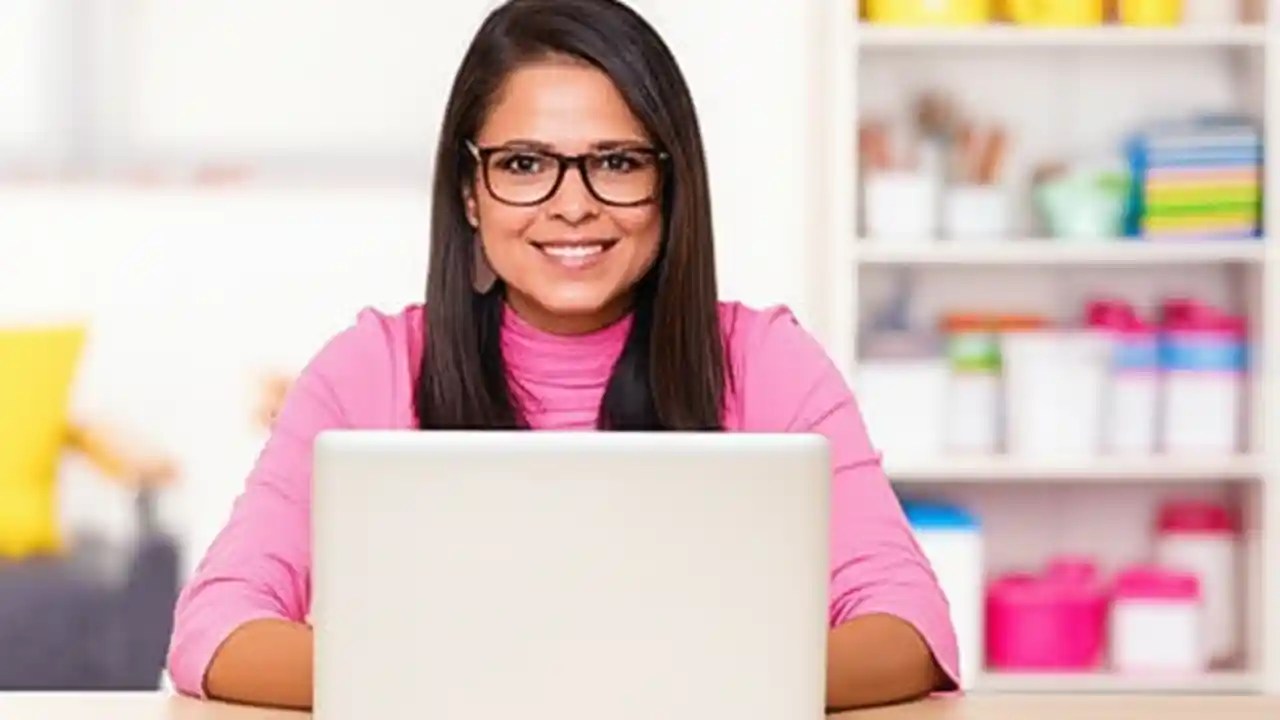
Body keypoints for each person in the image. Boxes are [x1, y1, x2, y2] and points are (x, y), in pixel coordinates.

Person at [166, 0, 960, 710]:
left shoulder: (768, 363)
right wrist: (505, 681)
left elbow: (909, 630)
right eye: (524, 165)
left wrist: (648, 681)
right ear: (470, 192)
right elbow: (216, 629)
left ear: (668, 187)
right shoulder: (369, 367)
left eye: (616, 162)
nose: (572, 204)